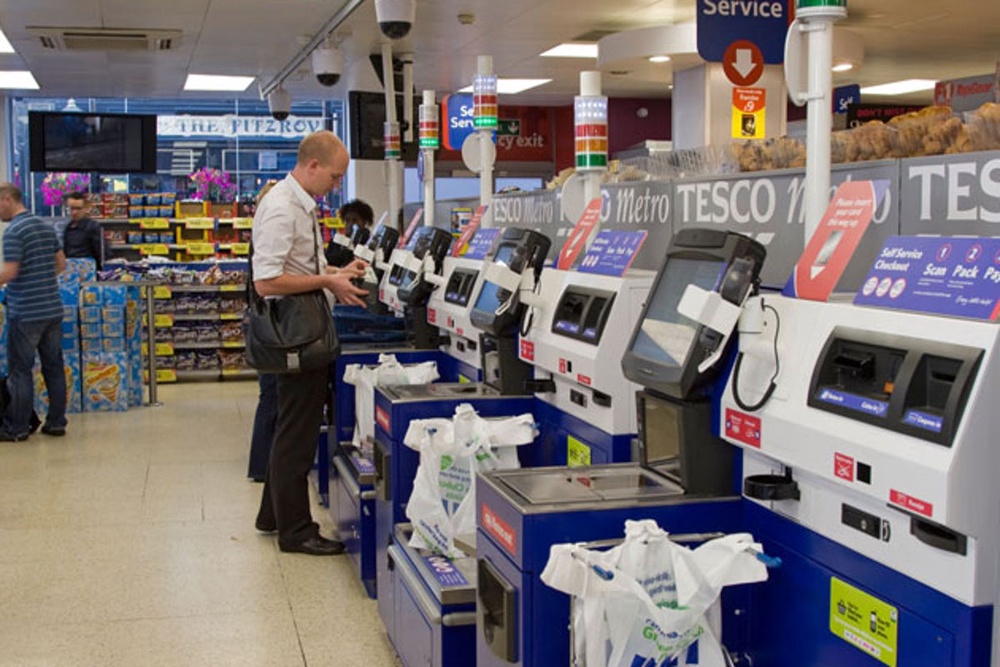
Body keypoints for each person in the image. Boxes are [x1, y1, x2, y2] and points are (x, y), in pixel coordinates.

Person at [252, 131, 369, 556]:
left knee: (290, 425)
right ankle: (296, 531)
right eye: (335, 177)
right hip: (295, 335)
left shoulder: (299, 203)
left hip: (303, 329)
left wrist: (336, 271)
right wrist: (326, 280)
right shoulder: (283, 208)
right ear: (313, 165)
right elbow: (266, 282)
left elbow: (297, 264)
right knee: (297, 434)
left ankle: (273, 515)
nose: (336, 186)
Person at [0, 184, 67, 441]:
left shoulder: (14, 231)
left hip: (26, 312)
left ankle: (16, 428)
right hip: (52, 308)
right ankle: (57, 422)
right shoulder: (43, 225)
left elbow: (10, 272)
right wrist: (41, 280)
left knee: (21, 372)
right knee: (54, 368)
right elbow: (61, 263)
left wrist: (26, 283)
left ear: (7, 200)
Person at [246, 180, 280, 483]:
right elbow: (267, 284)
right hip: (270, 327)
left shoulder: (259, 236)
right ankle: (260, 467)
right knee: (270, 397)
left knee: (268, 396)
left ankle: (261, 464)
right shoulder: (266, 238)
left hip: (262, 324)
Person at [325, 198, 374, 268]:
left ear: (365, 222)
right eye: (347, 220)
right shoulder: (336, 243)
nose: (350, 224)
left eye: (355, 220)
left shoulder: (370, 244)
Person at [61, 192, 103, 269]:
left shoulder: (93, 227)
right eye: (72, 208)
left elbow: (102, 253)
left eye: (78, 208)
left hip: (89, 273)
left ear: (85, 208)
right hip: (71, 273)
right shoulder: (67, 228)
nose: (74, 212)